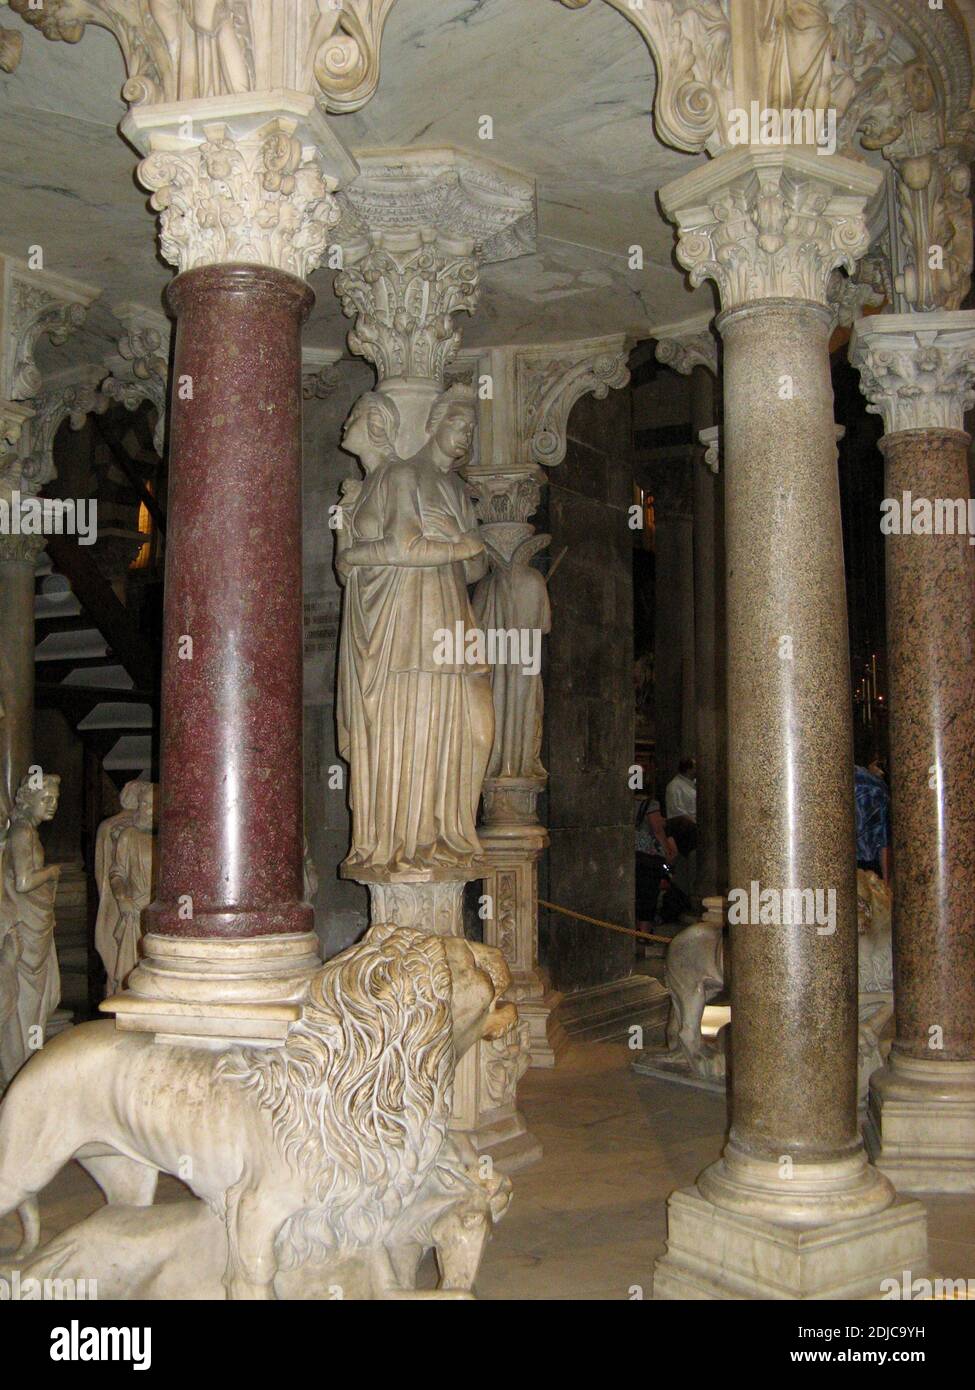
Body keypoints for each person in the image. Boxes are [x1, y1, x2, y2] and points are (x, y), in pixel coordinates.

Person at [854, 757, 891, 884]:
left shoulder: (831, 781)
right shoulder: (878, 786)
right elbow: (883, 841)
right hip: (871, 869)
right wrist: (885, 880)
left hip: (840, 864)